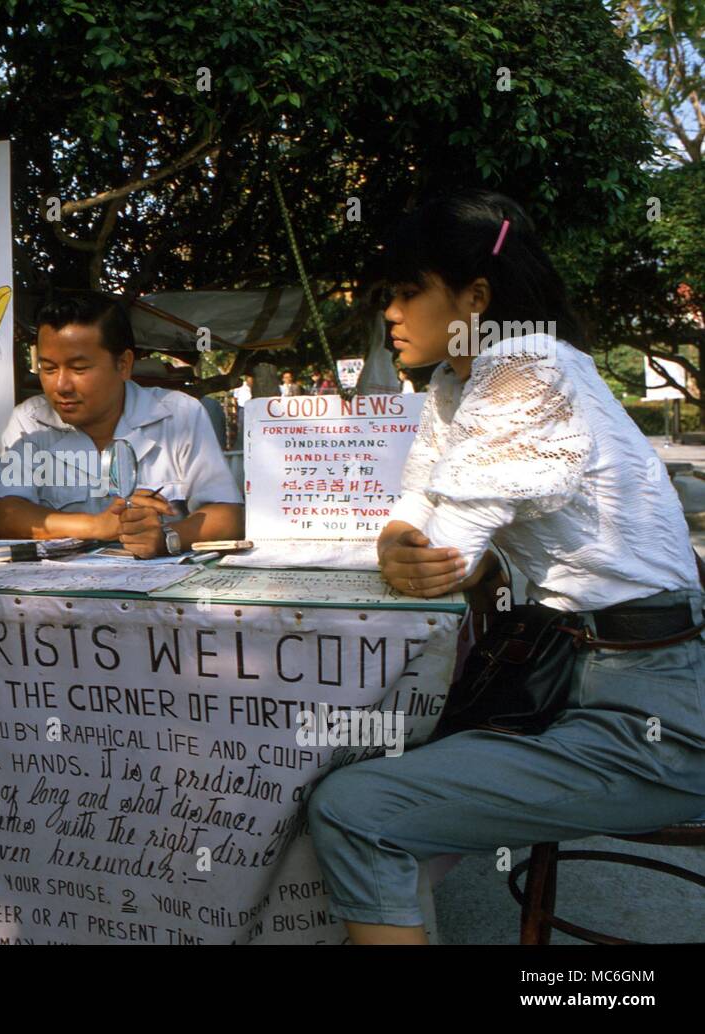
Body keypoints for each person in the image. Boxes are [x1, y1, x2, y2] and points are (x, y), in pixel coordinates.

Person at [306, 189, 705, 945]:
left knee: (353, 809)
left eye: (405, 291)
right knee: (363, 763)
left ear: (475, 297)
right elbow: (412, 512)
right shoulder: (459, 383)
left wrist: (411, 552)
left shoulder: (529, 368)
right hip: (566, 676)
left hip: (651, 712)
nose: (389, 312)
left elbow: (443, 557)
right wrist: (400, 543)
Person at [0, 293, 243, 558]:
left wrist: (167, 538)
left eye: (79, 368)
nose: (61, 386)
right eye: (48, 369)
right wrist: (96, 526)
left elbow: (227, 515)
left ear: (123, 364)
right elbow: (0, 514)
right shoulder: (30, 421)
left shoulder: (179, 415)